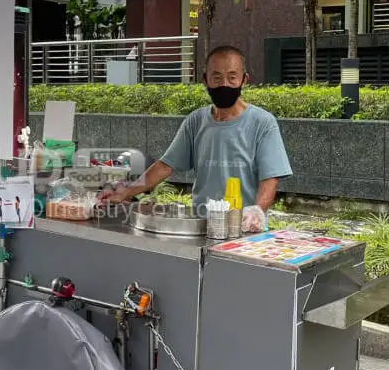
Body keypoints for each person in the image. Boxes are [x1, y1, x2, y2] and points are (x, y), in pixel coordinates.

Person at [99, 45, 292, 231]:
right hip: (201, 223)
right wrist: (125, 192)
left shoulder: (263, 123)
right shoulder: (196, 121)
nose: (224, 84)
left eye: (232, 77)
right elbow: (166, 165)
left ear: (244, 79)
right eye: (216, 77)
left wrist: (257, 211)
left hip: (243, 224)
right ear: (205, 80)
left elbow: (270, 178)